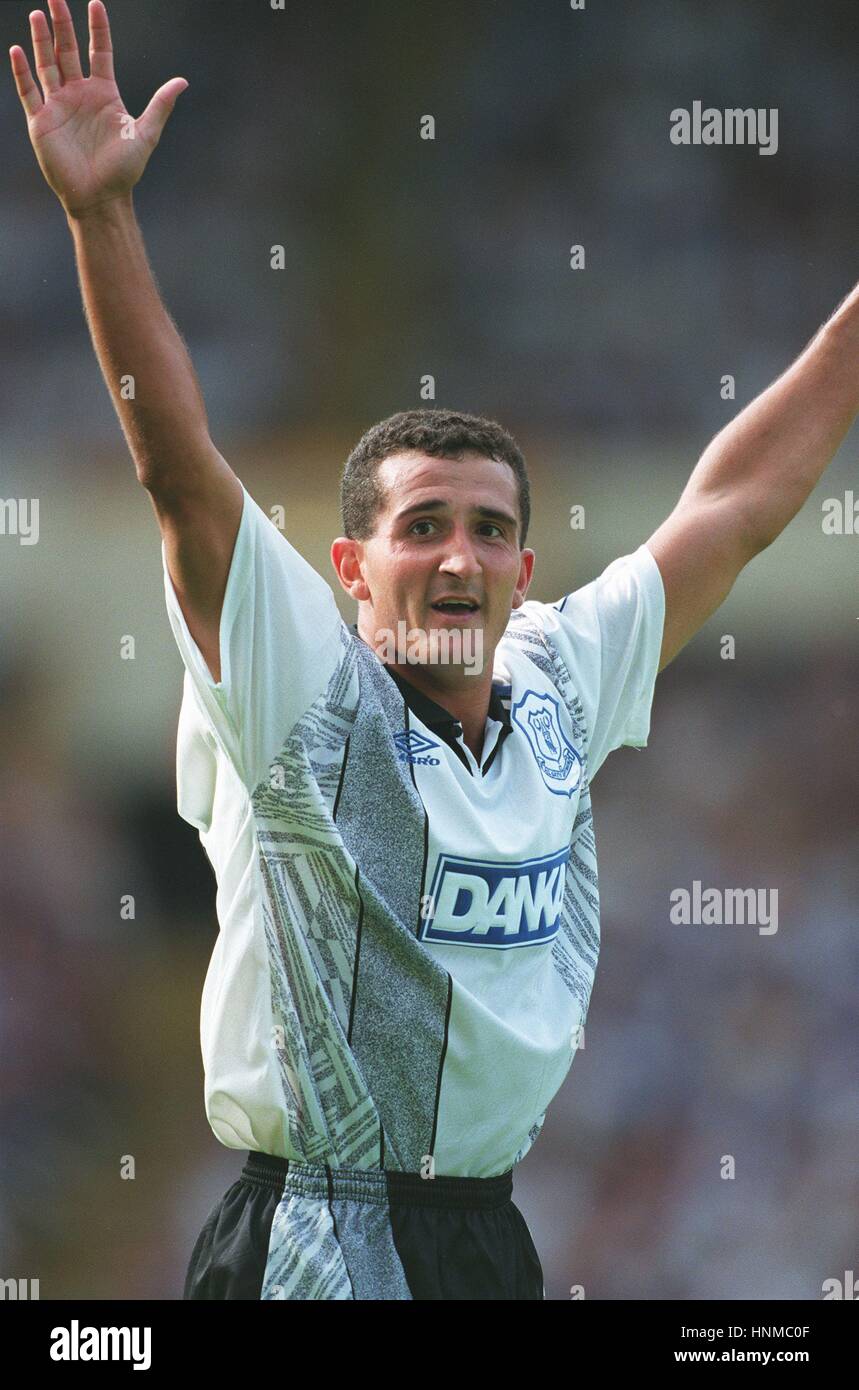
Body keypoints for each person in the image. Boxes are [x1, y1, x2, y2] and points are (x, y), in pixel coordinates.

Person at [11, 0, 859, 1301]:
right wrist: (101, 218)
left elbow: (733, 508)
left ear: (526, 570)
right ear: (351, 569)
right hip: (312, 1228)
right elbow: (180, 472)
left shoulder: (562, 675)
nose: (457, 555)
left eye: (488, 531)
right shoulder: (305, 684)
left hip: (486, 1236)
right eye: (422, 527)